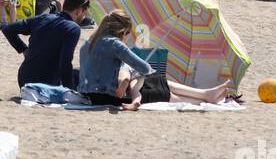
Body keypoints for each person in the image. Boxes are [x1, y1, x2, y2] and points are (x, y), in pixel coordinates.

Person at [78, 10, 234, 109]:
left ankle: (205, 94)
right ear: (122, 30)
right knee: (157, 84)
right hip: (108, 95)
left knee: (154, 83)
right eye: (127, 33)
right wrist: (150, 76)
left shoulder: (87, 43)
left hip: (89, 94)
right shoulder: (114, 43)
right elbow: (144, 67)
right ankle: (204, 97)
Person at [1, 0, 89, 88]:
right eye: (85, 12)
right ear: (79, 11)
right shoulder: (72, 28)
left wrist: (23, 49)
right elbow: (65, 63)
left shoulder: (42, 18)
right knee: (83, 74)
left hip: (24, 80)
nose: (85, 16)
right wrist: (69, 91)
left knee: (76, 72)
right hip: (48, 82)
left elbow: (8, 29)